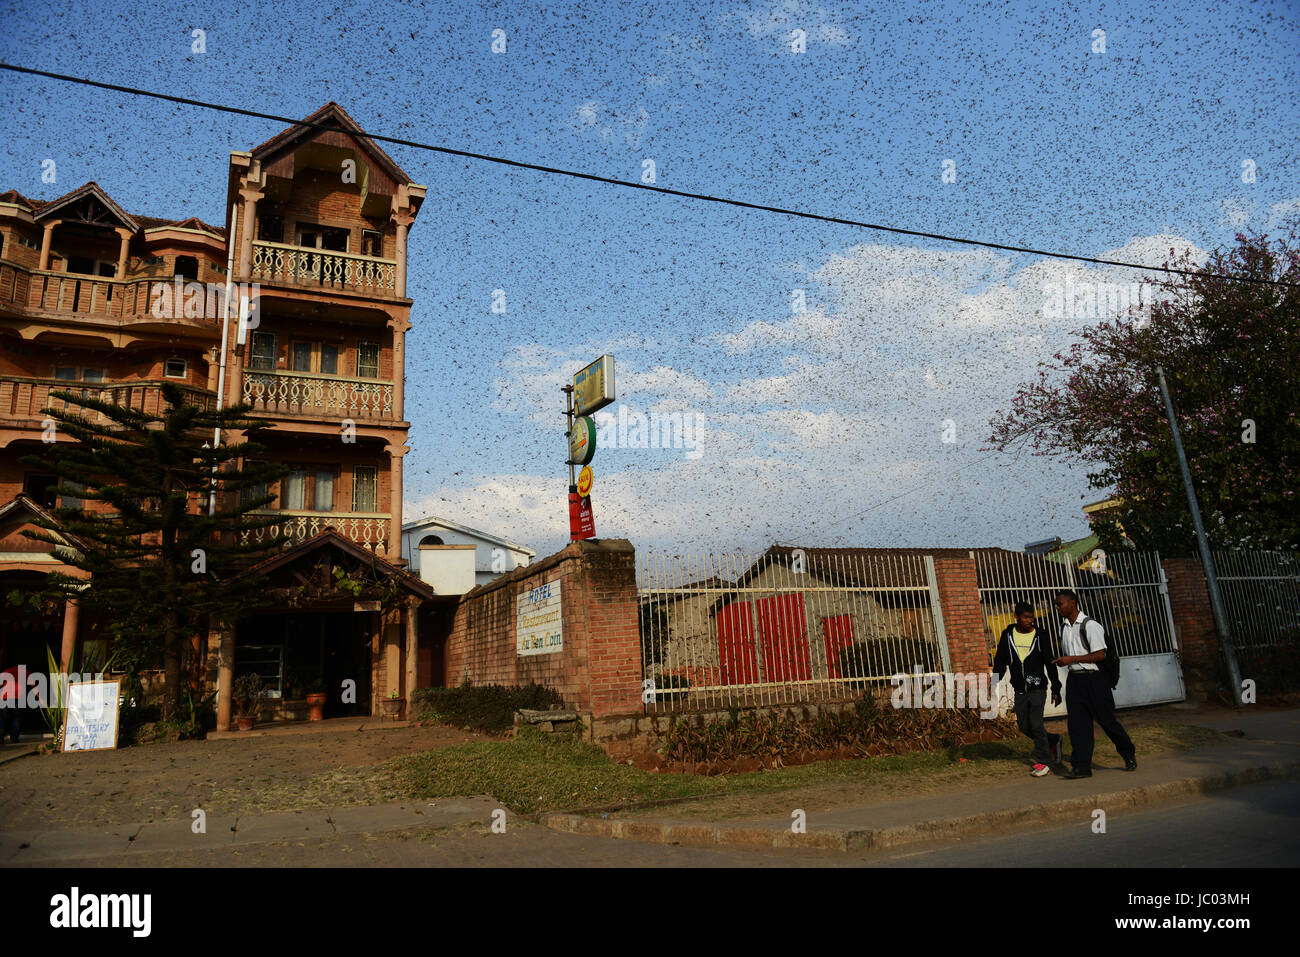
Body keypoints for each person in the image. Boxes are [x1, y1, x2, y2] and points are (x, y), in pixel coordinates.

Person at [1052, 589, 1136, 779]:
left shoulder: (1091, 626)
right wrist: (1067, 662)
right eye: (1056, 604)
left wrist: (1071, 658)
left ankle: (1128, 752)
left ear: (1073, 603)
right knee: (1077, 726)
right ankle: (1082, 767)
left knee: (1107, 722)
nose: (1057, 607)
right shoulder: (1063, 628)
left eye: (1060, 603)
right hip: (1075, 681)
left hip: (1095, 681)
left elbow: (1101, 654)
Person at [992, 602, 1063, 776]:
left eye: (1031, 617)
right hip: (1020, 690)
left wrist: (1056, 687)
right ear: (1016, 617)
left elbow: (1050, 662)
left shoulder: (1041, 635)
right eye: (1025, 617)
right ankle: (1053, 740)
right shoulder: (1008, 635)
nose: (1029, 620)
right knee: (1024, 726)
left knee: (1037, 724)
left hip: (1038, 687)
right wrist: (993, 682)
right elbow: (1000, 661)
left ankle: (1044, 761)